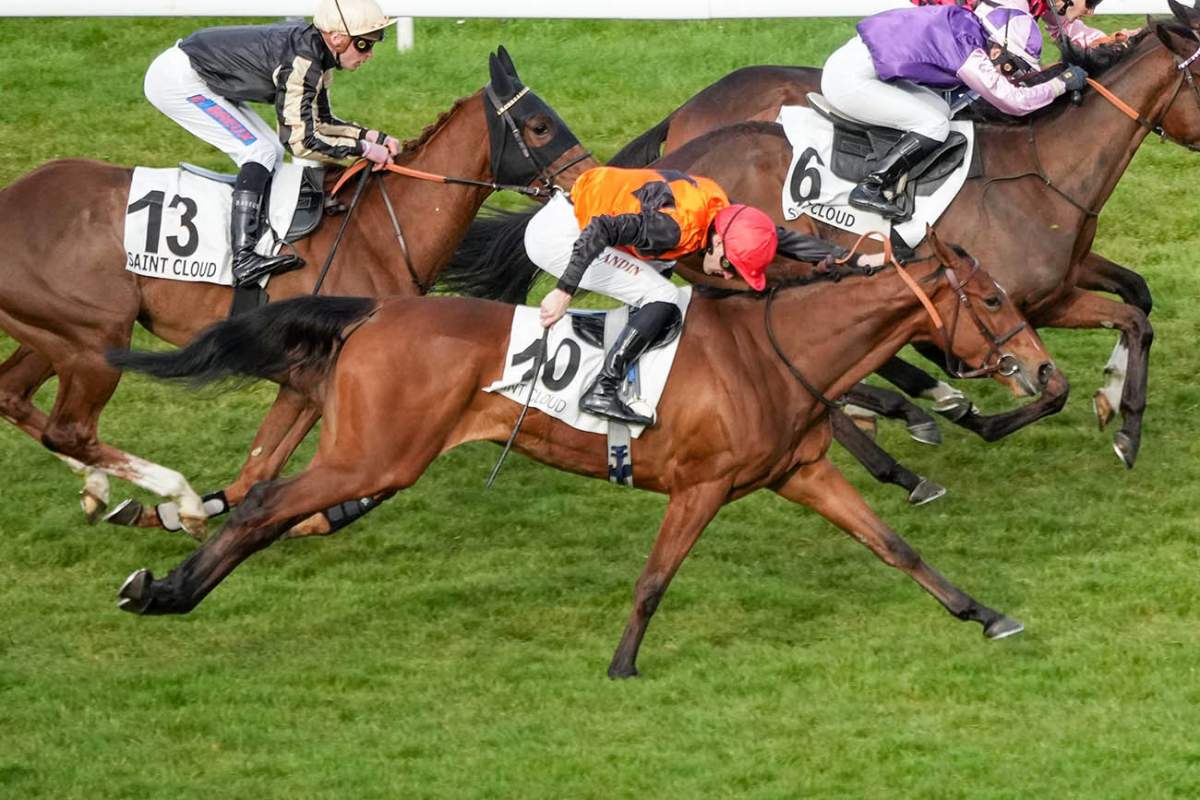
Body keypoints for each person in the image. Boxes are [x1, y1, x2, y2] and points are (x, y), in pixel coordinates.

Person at [526, 166, 864, 426]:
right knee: (662, 295)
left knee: (661, 268)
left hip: (574, 213)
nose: (727, 275)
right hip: (563, 238)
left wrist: (854, 260)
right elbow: (600, 228)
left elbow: (782, 239)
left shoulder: (725, 215)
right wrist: (563, 292)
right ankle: (603, 389)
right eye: (730, 265)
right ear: (718, 243)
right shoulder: (673, 229)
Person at [144, 0, 401, 287]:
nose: (370, 54)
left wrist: (374, 137)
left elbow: (322, 120)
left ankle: (263, 235)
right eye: (365, 44)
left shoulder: (319, 57)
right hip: (179, 81)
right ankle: (243, 258)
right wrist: (362, 149)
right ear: (338, 38)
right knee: (259, 150)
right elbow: (300, 141)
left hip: (206, 76)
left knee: (270, 151)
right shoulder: (303, 61)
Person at [821, 4, 1088, 218]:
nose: (1010, 72)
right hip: (850, 80)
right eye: (1011, 65)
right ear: (997, 48)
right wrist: (1060, 85)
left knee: (941, 110)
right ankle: (870, 186)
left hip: (867, 66)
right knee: (934, 124)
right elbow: (1014, 102)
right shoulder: (968, 51)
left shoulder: (970, 26)